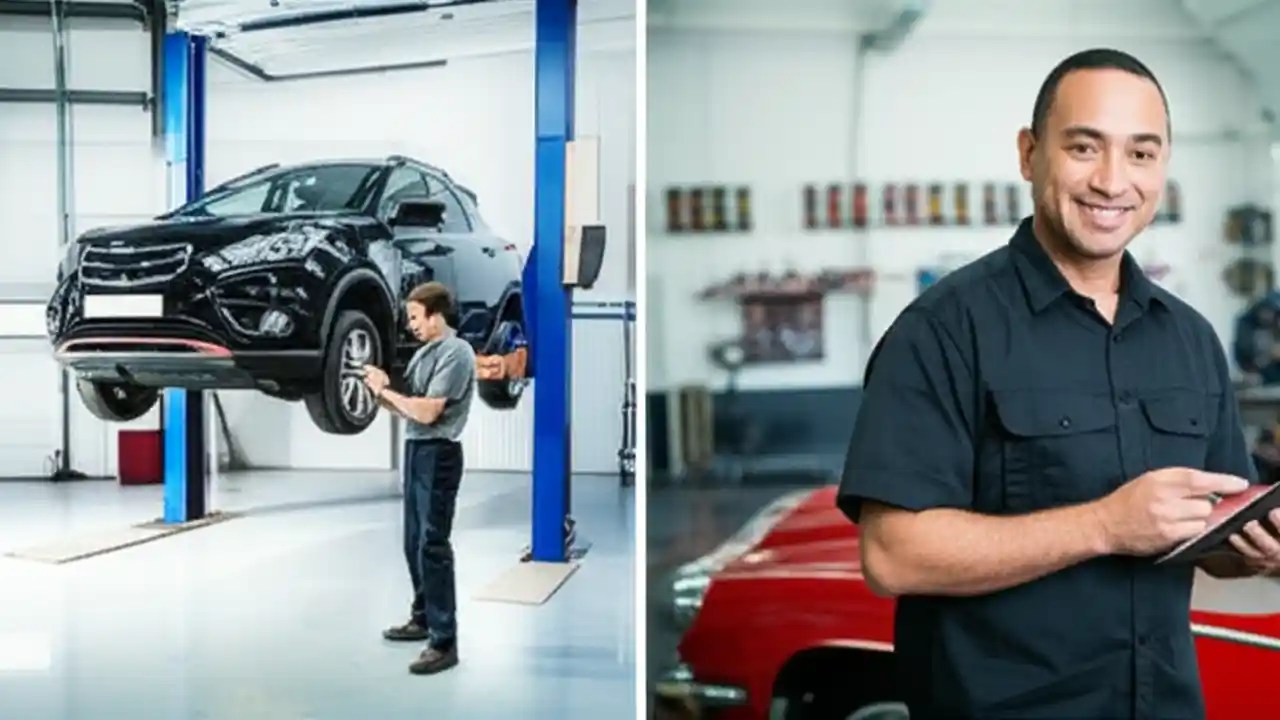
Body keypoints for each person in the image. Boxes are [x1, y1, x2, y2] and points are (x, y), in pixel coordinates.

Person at [837, 48, 1280, 720]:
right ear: (1029, 154)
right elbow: (893, 555)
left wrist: (1254, 547)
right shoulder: (944, 330)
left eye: (1141, 153)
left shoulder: (1189, 339)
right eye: (1084, 147)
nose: (1112, 180)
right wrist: (1104, 526)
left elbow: (1210, 531)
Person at [362, 280, 476, 676]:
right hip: (416, 450)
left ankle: (444, 643)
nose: (411, 325)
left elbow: (427, 412)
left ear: (435, 315)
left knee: (433, 545)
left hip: (439, 454)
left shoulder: (456, 353)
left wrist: (388, 392)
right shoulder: (424, 353)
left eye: (415, 317)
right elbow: (406, 408)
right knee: (413, 542)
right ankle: (423, 617)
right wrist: (379, 391)